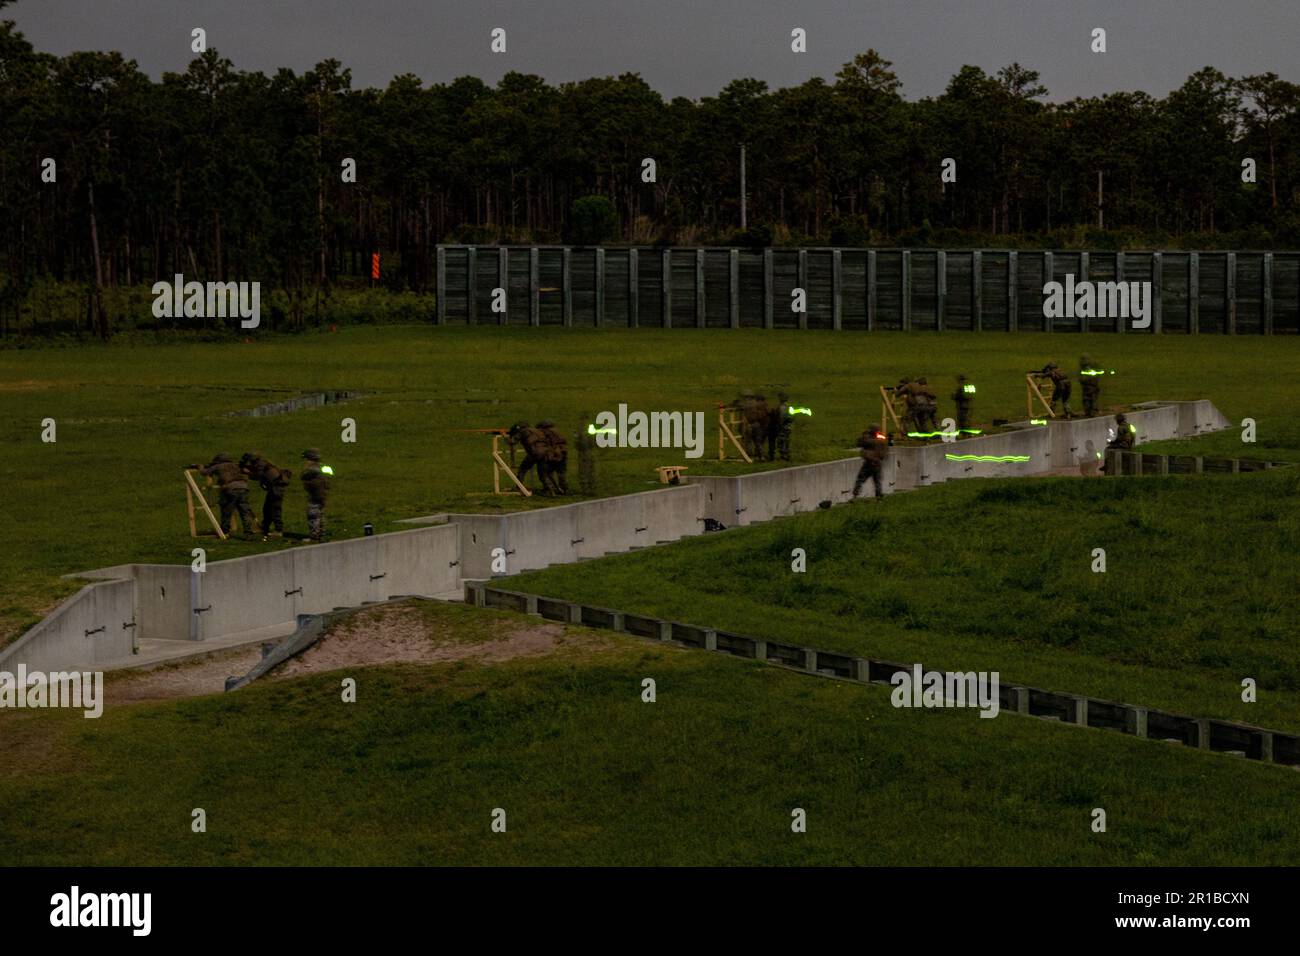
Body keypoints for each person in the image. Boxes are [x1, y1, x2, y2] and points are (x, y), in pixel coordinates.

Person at [193, 453, 256, 536]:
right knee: (244, 512)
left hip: (231, 488)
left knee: (227, 510)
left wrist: (199, 467)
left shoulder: (218, 466)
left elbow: (205, 472)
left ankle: (225, 531)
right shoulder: (236, 465)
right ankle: (248, 533)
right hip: (243, 488)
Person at [242, 452, 292, 538]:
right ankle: (265, 527)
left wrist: (248, 472)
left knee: (275, 509)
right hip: (274, 488)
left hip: (276, 488)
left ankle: (278, 530)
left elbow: (258, 475)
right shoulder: (263, 463)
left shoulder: (261, 464)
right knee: (267, 509)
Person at [508, 422, 560, 495]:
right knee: (543, 473)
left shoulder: (523, 431)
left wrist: (506, 437)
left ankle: (518, 487)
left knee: (522, 469)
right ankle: (551, 490)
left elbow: (512, 442)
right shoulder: (537, 430)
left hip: (535, 453)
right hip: (546, 452)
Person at [300, 448, 330, 541]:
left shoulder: (312, 469)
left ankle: (314, 536)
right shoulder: (324, 467)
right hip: (323, 493)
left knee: (313, 515)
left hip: (315, 494)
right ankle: (321, 533)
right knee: (321, 514)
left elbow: (303, 476)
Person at [853, 424, 888, 499]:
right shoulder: (881, 438)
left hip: (869, 463)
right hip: (877, 463)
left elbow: (860, 443)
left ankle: (855, 496)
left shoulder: (870, 439)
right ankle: (879, 497)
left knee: (860, 480)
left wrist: (864, 435)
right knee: (877, 481)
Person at [537, 420, 570, 495]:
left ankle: (550, 489)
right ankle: (564, 489)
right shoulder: (557, 431)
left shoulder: (545, 432)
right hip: (563, 452)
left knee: (546, 472)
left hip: (553, 454)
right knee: (561, 473)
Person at [772, 391, 794, 461]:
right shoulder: (789, 406)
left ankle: (783, 456)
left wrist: (779, 425)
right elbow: (792, 417)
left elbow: (781, 418)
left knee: (781, 441)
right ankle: (787, 454)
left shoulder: (782, 407)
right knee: (786, 441)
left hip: (783, 427)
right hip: (789, 426)